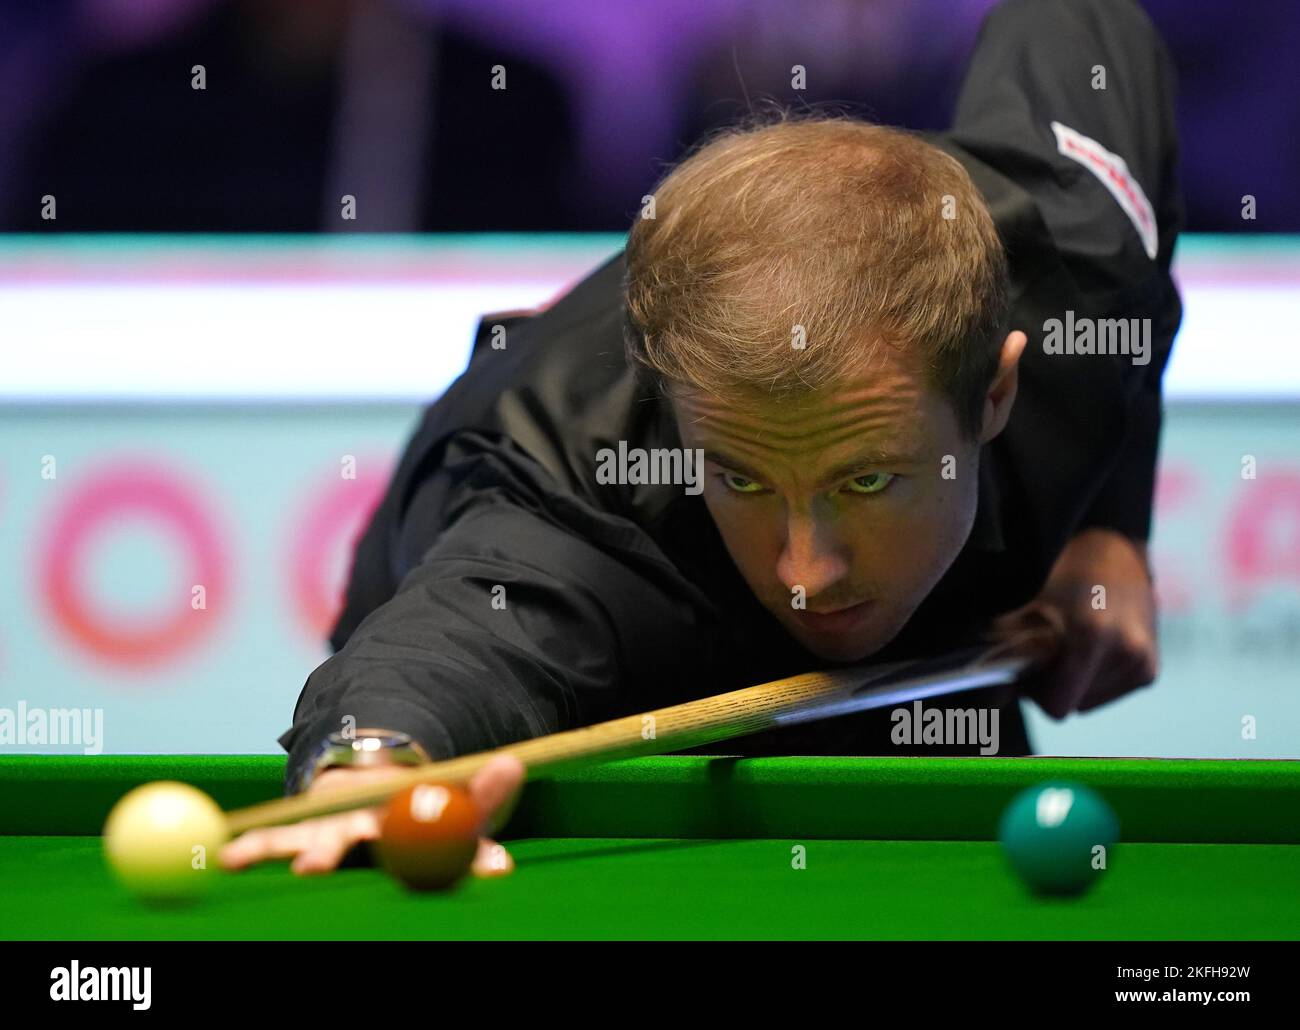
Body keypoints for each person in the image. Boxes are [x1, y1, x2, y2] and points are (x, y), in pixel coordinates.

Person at [222, 0, 1182, 878]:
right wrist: (375, 760)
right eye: (746, 479)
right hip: (621, 661)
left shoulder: (1079, 253)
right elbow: (451, 646)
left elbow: (1084, 22)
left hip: (919, 660)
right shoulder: (576, 499)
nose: (808, 570)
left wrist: (1109, 525)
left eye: (866, 482)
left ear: (997, 390)